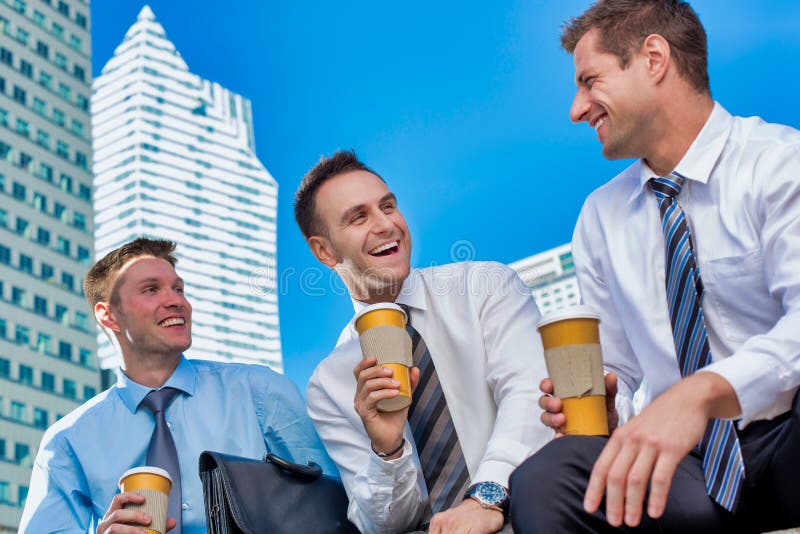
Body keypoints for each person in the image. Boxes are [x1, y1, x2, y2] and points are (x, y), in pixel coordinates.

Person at [510, 1, 800, 532]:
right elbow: (618, 369)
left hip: (786, 435)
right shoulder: (601, 216)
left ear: (654, 58)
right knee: (548, 477)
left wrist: (703, 392)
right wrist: (608, 407)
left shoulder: (781, 164)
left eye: (590, 81)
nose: (577, 109)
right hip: (684, 466)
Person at [295, 150, 550, 533]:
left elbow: (530, 397)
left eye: (388, 206)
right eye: (359, 217)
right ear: (325, 251)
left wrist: (485, 498)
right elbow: (385, 525)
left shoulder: (485, 288)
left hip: (528, 517)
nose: (386, 224)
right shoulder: (329, 385)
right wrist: (388, 450)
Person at [19, 238, 336, 533]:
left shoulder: (260, 392)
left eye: (178, 289)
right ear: (108, 315)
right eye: (151, 290)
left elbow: (332, 507)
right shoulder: (68, 441)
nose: (176, 301)